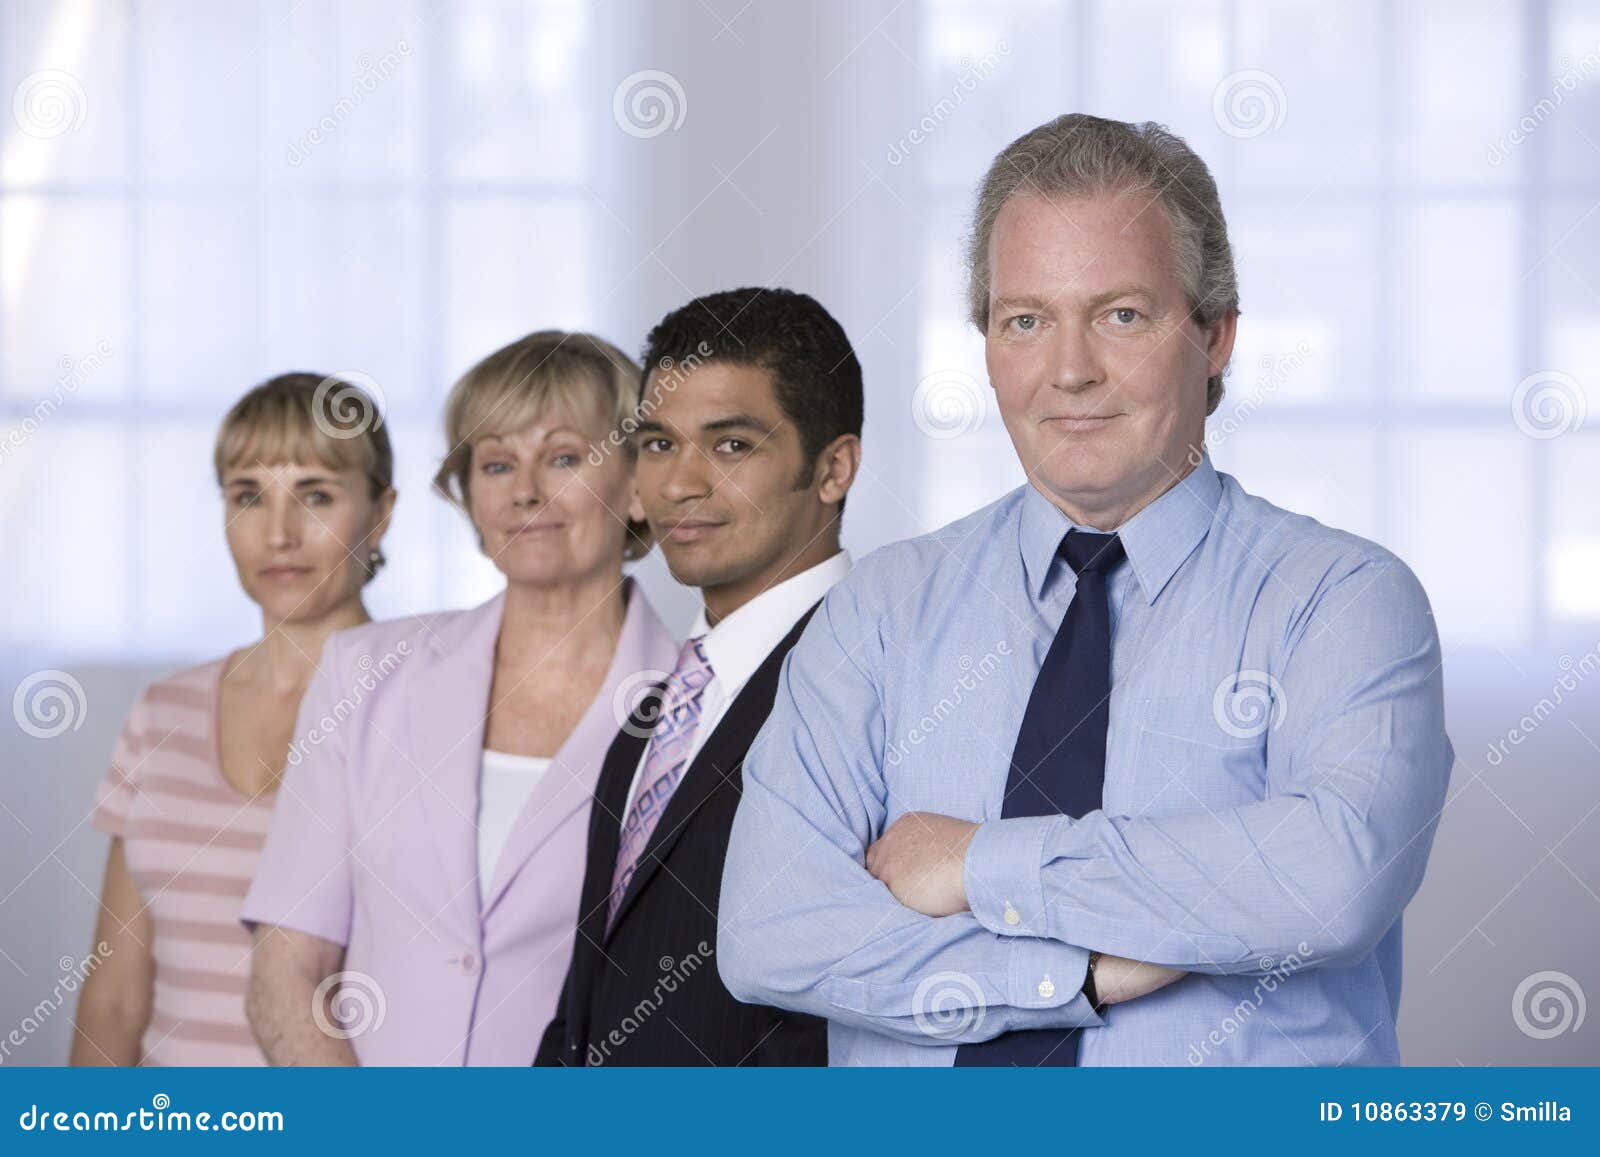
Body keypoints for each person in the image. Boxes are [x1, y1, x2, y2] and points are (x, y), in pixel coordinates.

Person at [719, 114, 1454, 1066]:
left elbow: (1335, 879)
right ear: (988, 344)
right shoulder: (880, 611)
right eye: (1026, 320)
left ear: (1216, 334)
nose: (1070, 372)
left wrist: (976, 860)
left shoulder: (1344, 600)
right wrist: (1076, 974)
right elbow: (770, 930)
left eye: (1122, 315)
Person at [241, 332, 676, 1065]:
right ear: (471, 494)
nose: (526, 490)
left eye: (565, 457)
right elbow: (288, 967)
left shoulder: (699, 710)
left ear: (637, 484)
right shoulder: (362, 673)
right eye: (497, 462)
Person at [536, 288, 860, 1066]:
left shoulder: (875, 683)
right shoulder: (656, 705)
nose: (679, 484)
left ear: (832, 468)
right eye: (656, 443)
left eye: (732, 445)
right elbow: (590, 998)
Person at [72, 373, 396, 1065]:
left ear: (380, 513)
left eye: (315, 494)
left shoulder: (423, 708)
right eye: (248, 494)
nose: (279, 533)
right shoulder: (164, 711)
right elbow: (117, 994)